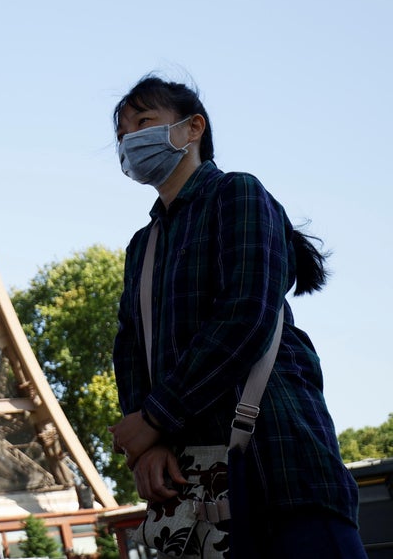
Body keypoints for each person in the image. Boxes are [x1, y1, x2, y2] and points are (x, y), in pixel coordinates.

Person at [108, 75, 364, 557]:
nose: (130, 140)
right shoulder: (142, 246)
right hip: (195, 488)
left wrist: (155, 416)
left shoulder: (237, 193)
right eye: (122, 135)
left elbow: (247, 313)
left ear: (192, 128)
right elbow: (129, 348)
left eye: (143, 122)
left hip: (280, 462)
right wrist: (148, 443)